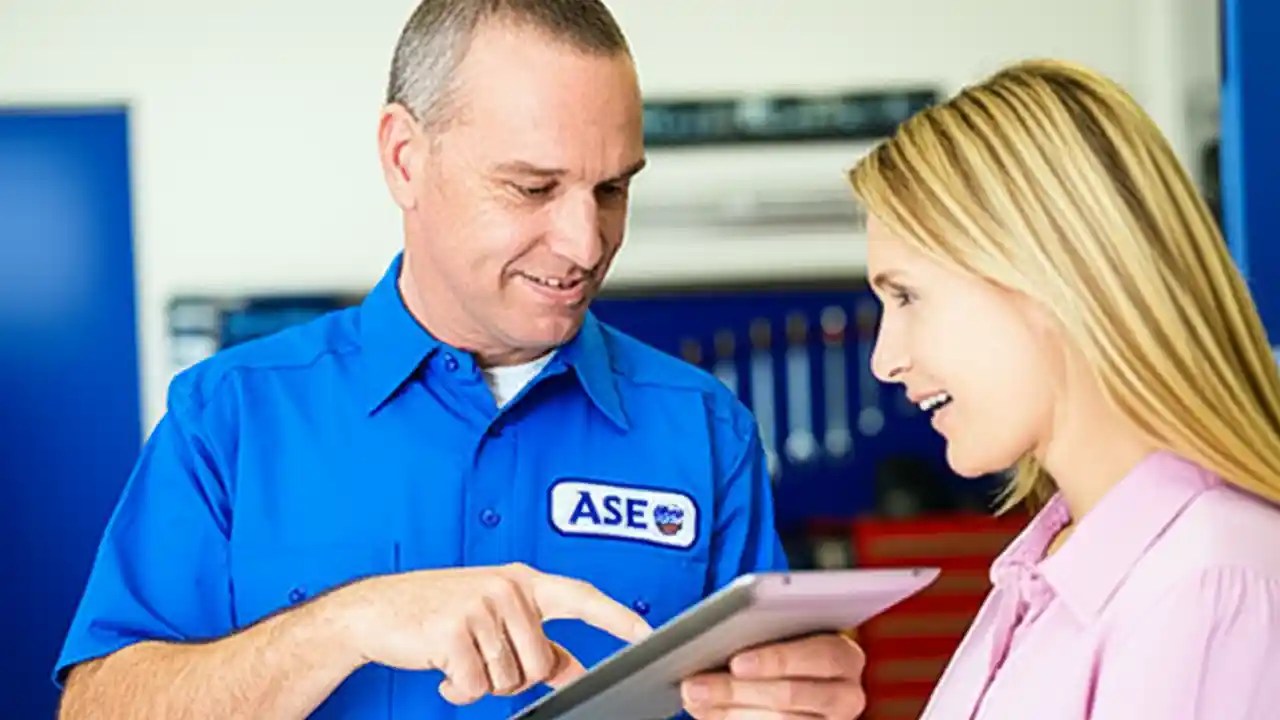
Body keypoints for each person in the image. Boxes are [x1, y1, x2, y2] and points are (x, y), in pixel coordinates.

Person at [53, 1, 868, 719]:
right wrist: (348, 622)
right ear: (405, 157)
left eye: (613, 190)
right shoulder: (230, 417)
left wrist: (801, 701)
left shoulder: (705, 430)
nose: (586, 245)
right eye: (532, 188)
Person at [849, 58, 1280, 719]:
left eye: (907, 296)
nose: (886, 360)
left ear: (1045, 278)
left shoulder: (1209, 583)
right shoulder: (1044, 575)